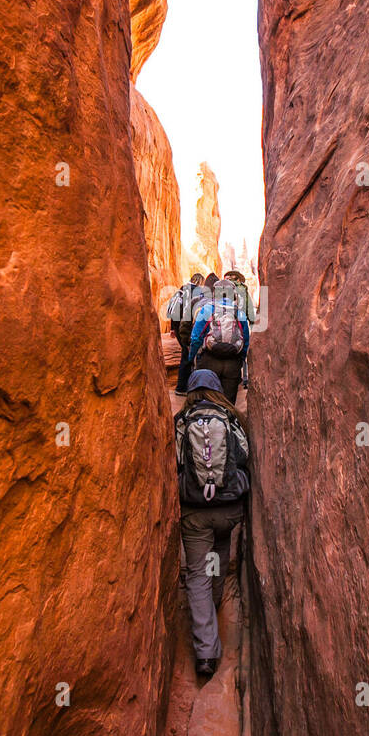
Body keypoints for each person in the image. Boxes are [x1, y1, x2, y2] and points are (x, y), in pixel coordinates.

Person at [175, 369, 250, 676]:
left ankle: (206, 653)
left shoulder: (182, 421)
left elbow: (176, 462)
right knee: (218, 553)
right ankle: (215, 599)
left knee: (197, 576)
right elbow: (244, 456)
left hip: (195, 512)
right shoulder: (230, 419)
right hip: (229, 509)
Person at [187, 276, 251, 405]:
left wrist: (192, 357)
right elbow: (246, 340)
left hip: (210, 361)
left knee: (207, 400)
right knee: (228, 404)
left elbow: (196, 337)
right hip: (232, 362)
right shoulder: (239, 313)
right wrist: (241, 359)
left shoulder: (207, 310)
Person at [166, 273, 204, 395]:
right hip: (186, 328)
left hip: (177, 327)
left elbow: (174, 308)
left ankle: (185, 386)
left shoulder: (181, 290)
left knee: (186, 354)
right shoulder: (196, 292)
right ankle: (182, 387)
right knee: (188, 356)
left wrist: (172, 328)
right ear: (199, 282)